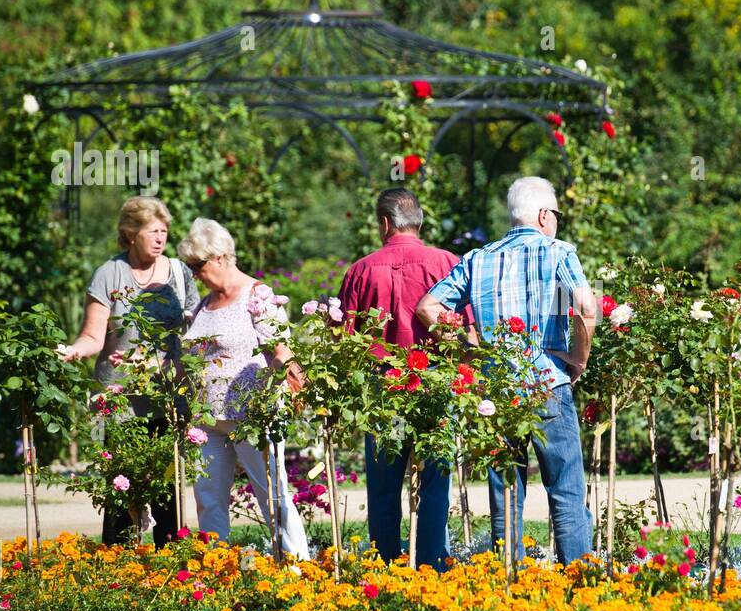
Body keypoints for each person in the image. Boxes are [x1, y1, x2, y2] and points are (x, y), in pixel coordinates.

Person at [415, 176, 598, 564]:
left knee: (506, 495)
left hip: (496, 394)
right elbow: (586, 308)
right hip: (549, 383)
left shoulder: (478, 258)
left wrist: (469, 349)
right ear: (544, 215)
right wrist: (578, 359)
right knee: (565, 490)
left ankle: (506, 582)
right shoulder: (559, 253)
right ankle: (582, 586)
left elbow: (428, 307)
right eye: (557, 215)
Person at [338, 188, 471, 568]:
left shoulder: (362, 270)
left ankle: (385, 566)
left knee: (383, 486)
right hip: (435, 381)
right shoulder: (447, 262)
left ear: (384, 223)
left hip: (383, 388)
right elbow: (467, 328)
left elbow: (346, 342)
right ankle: (432, 565)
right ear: (419, 222)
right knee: (434, 483)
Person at [61, 196, 199, 546]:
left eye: (164, 232)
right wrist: (75, 350)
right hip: (119, 401)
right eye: (152, 231)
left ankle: (172, 562)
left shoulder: (179, 274)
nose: (160, 238)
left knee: (168, 484)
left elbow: (196, 332)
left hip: (167, 396)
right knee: (121, 487)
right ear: (131, 232)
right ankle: (117, 563)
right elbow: (94, 335)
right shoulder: (110, 273)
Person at [178, 218, 310, 560]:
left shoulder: (258, 297)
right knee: (208, 500)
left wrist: (303, 389)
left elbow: (281, 351)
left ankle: (297, 569)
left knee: (274, 497)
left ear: (220, 257)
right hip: (207, 422)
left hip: (253, 418)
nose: (195, 274)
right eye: (190, 268)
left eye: (198, 265)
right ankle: (216, 569)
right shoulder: (202, 306)